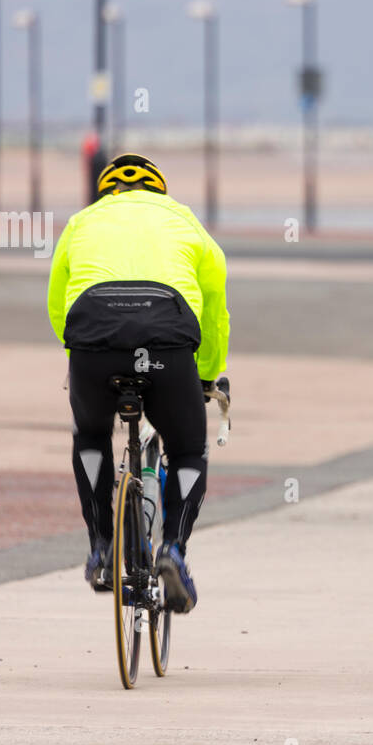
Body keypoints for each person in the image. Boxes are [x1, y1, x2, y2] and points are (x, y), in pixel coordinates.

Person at [46, 153, 230, 613]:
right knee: (189, 447)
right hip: (168, 343)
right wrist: (206, 373)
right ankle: (174, 550)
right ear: (158, 192)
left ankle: (102, 548)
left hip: (93, 342)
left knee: (90, 434)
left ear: (108, 192)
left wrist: (81, 361)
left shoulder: (82, 222)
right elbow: (214, 306)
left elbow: (57, 305)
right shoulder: (183, 219)